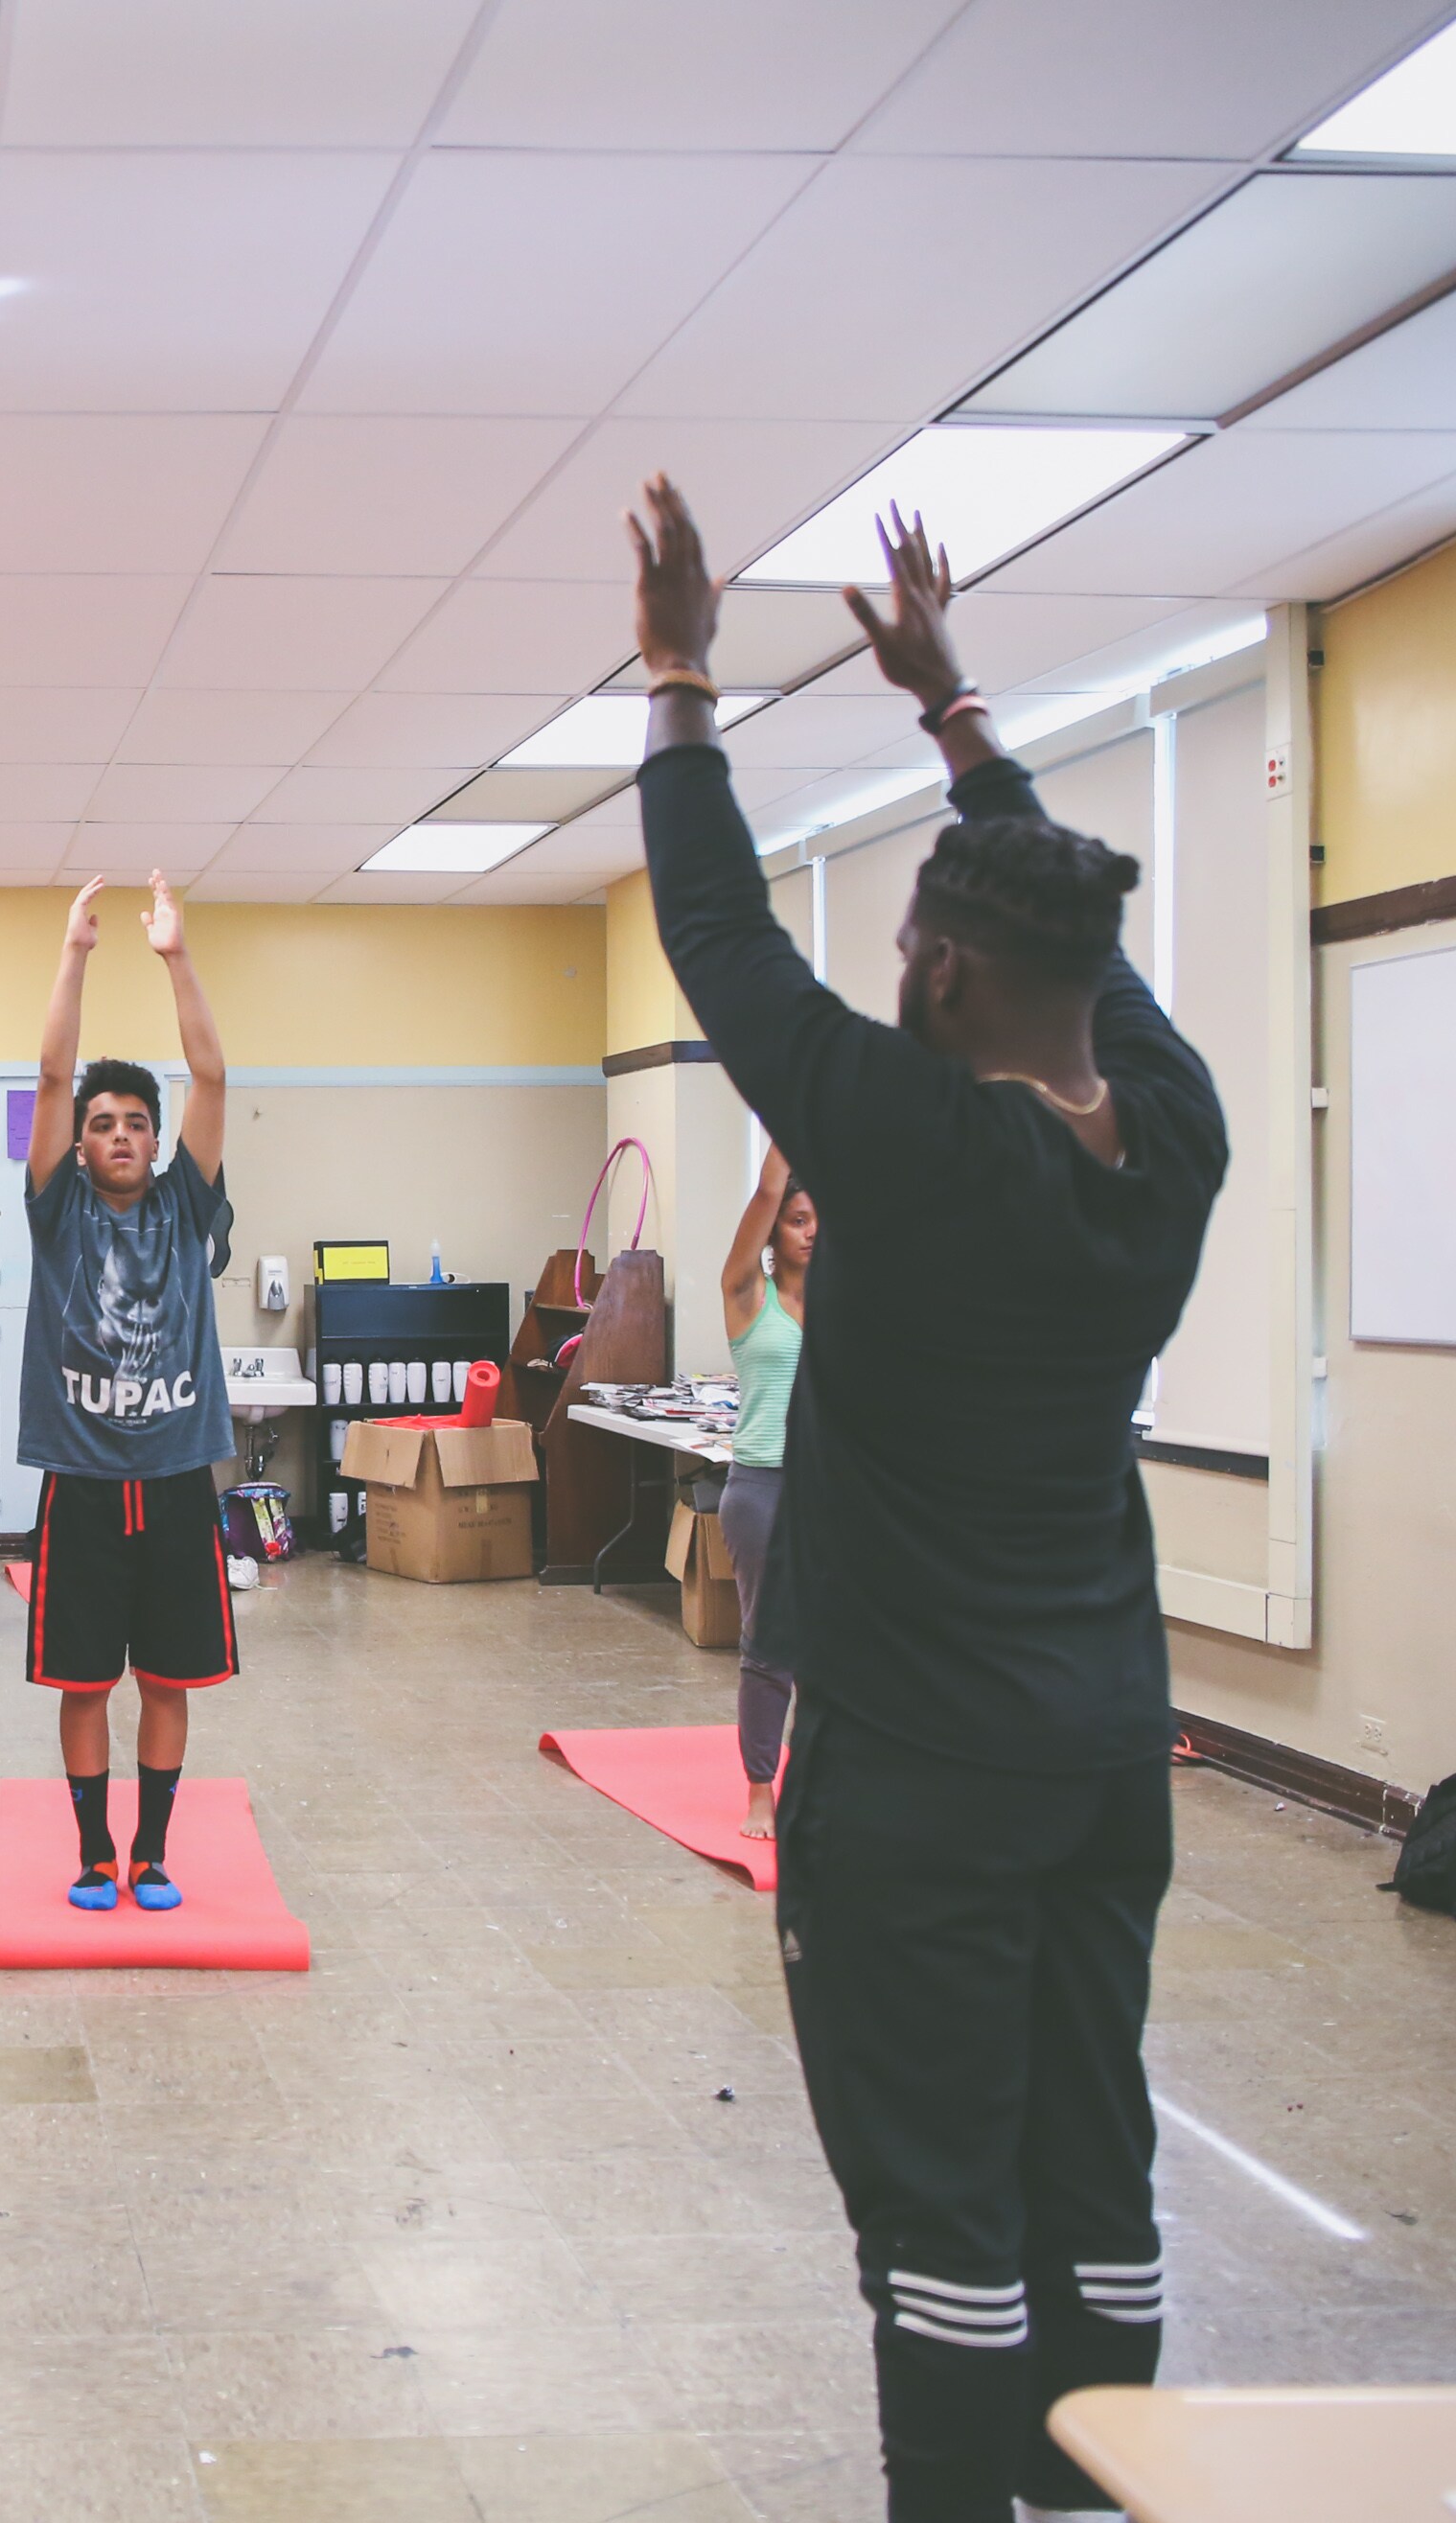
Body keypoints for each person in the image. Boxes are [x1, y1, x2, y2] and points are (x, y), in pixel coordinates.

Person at [628, 479, 1222, 2523]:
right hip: (1098, 1748)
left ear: (949, 978)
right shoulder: (1173, 1132)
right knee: (1094, 2149)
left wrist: (686, 675)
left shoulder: (903, 1135)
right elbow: (1087, 939)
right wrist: (951, 702)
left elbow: (708, 932)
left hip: (912, 1765)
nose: (888, 979)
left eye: (906, 949)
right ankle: (1097, 2490)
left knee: (939, 2196)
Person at [19, 874, 233, 1914]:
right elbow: (53, 1070)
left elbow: (212, 1071)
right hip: (86, 1486)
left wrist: (175, 958)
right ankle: (92, 1851)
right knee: (83, 1683)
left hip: (178, 1478)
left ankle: (150, 1852)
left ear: (155, 1139)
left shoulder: (187, 1207)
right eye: (100, 1122)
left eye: (133, 1123)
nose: (115, 1135)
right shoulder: (57, 1214)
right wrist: (76, 954)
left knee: (170, 1680)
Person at [716, 1138, 812, 1842]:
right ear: (776, 1231)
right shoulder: (751, 1298)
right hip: (762, 1488)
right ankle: (760, 1794)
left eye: (821, 1221)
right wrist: (789, 1114)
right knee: (770, 1645)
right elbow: (763, 1194)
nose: (811, 1232)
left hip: (836, 1492)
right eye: (798, 1219)